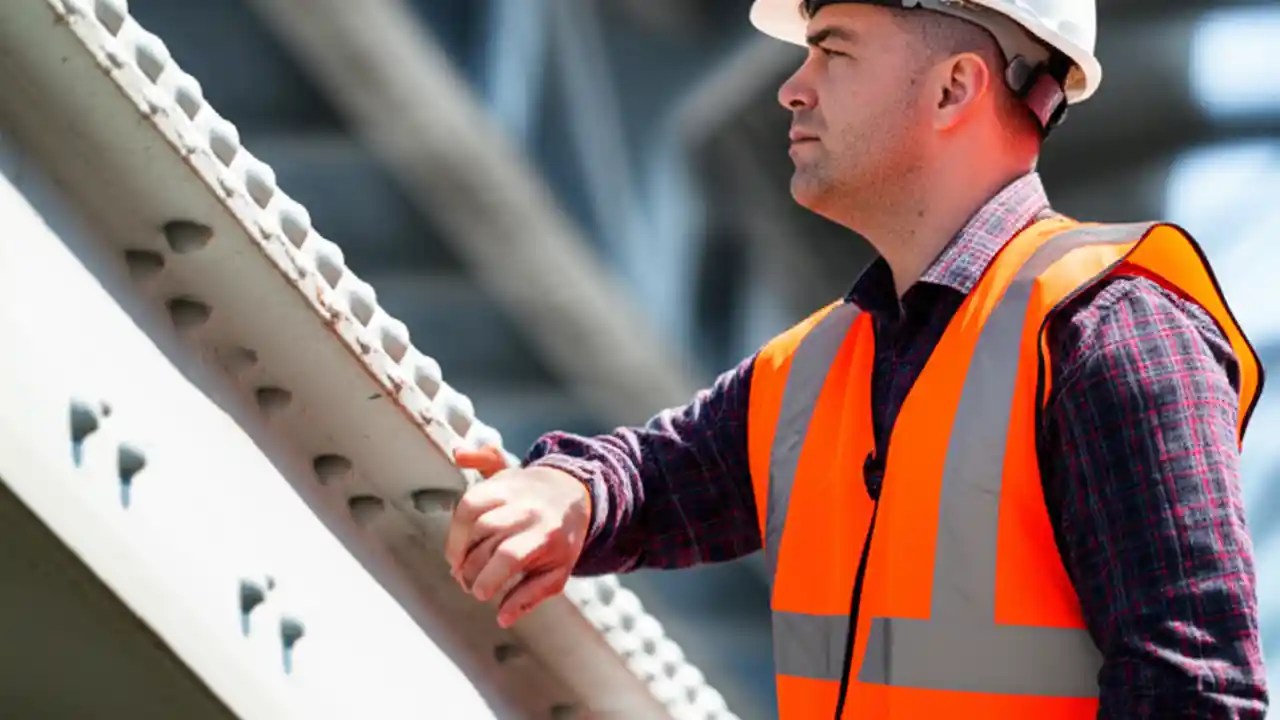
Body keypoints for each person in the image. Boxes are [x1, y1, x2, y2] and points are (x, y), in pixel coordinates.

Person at [444, 0, 1268, 717]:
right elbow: (656, 476)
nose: (791, 87)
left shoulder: (1111, 329)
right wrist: (570, 493)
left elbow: (1194, 692)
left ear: (954, 88)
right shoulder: (819, 368)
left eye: (833, 50)